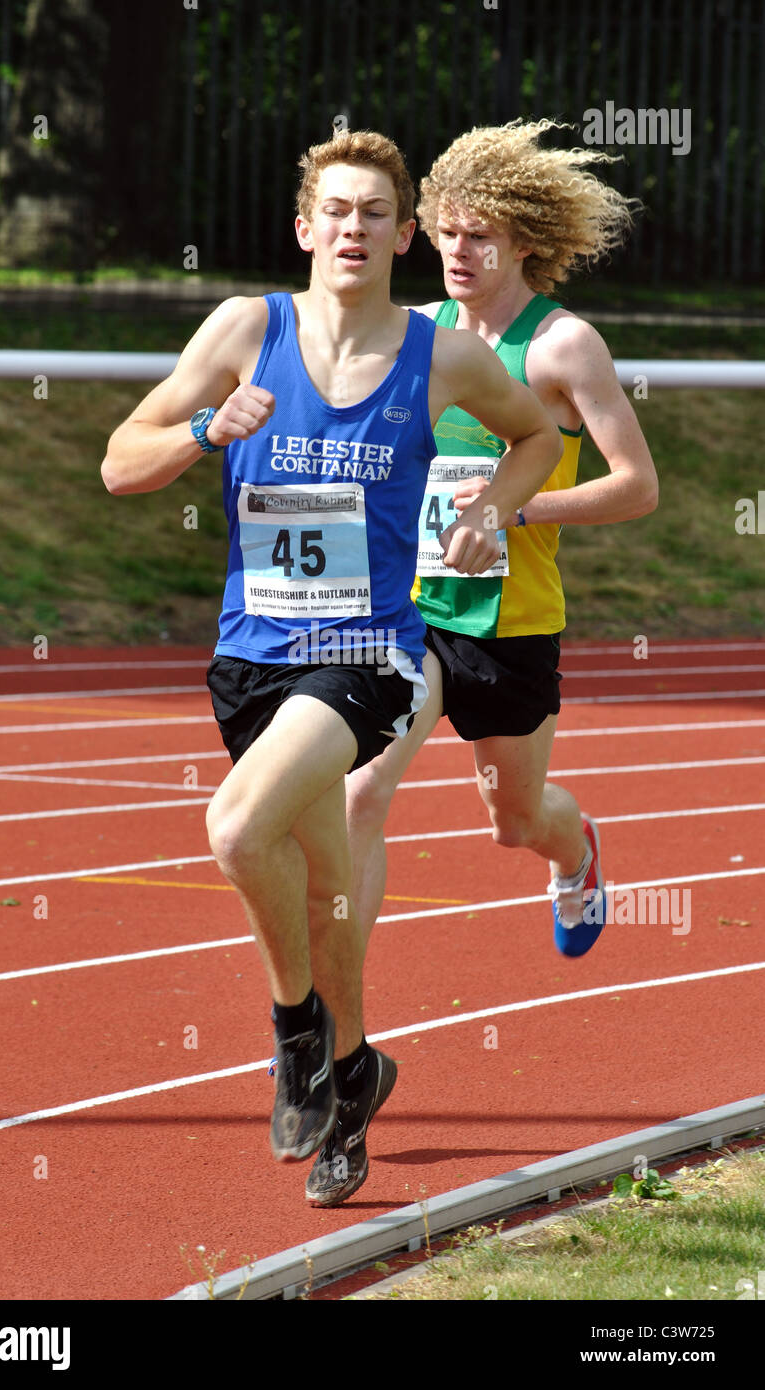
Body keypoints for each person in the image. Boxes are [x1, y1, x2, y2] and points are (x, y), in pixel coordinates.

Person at [100, 128, 563, 1207]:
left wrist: (492, 512)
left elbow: (534, 435)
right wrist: (210, 428)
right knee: (322, 894)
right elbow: (121, 460)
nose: (353, 229)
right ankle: (354, 1074)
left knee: (233, 827)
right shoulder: (243, 328)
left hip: (366, 658)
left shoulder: (438, 355)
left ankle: (294, 1030)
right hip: (251, 660)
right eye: (335, 211)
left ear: (402, 236)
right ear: (304, 229)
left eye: (373, 215)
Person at [346, 120, 659, 1029]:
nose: (457, 249)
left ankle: (577, 855)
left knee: (515, 822)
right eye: (445, 230)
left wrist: (511, 510)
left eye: (479, 233)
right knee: (360, 793)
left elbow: (636, 487)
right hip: (408, 617)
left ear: (527, 240)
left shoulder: (563, 347)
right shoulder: (419, 336)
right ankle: (339, 1026)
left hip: (509, 621)